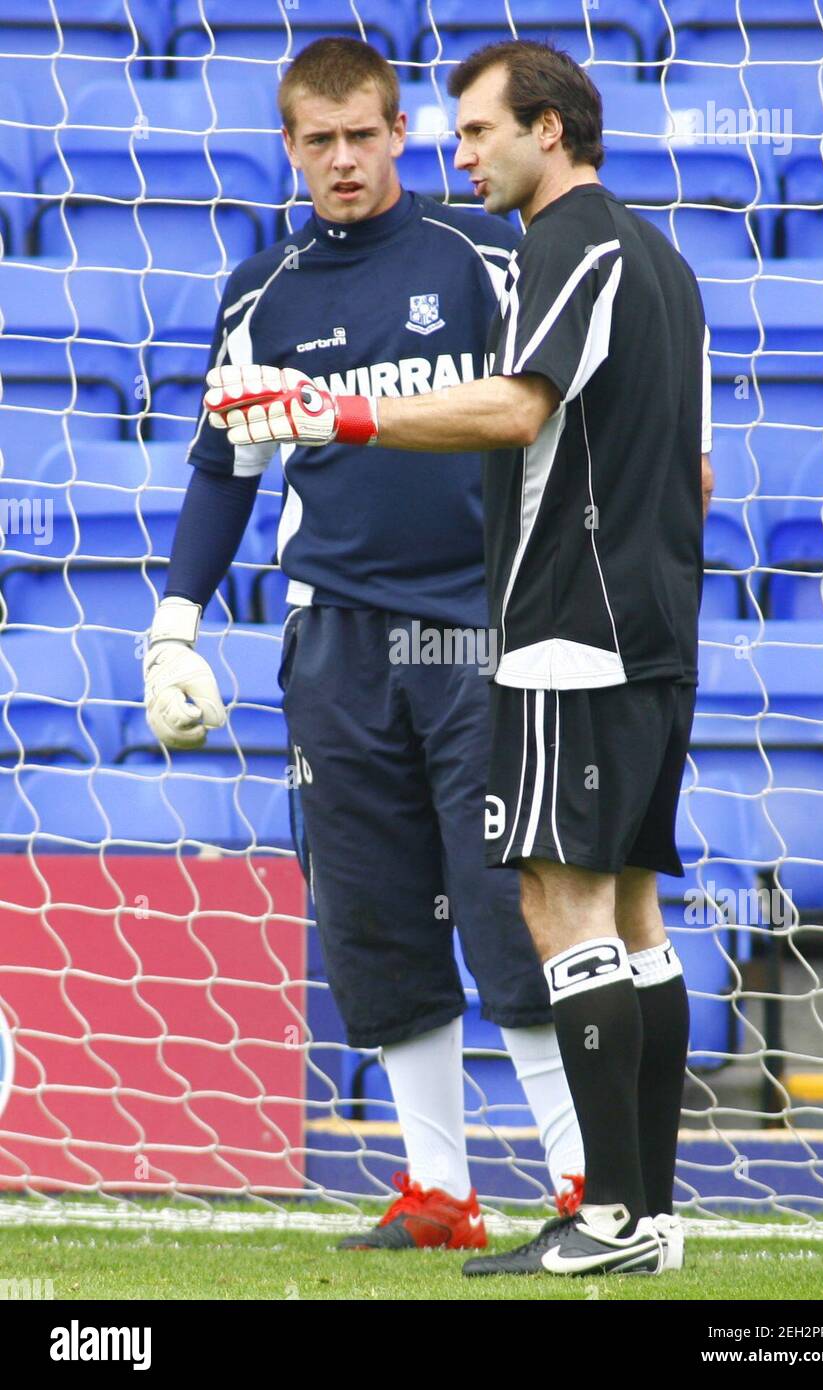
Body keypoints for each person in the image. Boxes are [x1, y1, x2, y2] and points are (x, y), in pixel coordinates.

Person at [204, 38, 715, 1278]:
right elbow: (694, 469)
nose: (459, 151)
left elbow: (516, 406)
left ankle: (601, 1206)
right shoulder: (663, 258)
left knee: (550, 908)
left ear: (548, 129)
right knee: (623, 913)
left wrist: (339, 409)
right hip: (628, 632)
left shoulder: (556, 245)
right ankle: (628, 1212)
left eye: (475, 130)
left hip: (555, 631)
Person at [143, 38, 586, 1252]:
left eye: (363, 135)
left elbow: (570, 410)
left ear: (401, 134)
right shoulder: (259, 292)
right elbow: (223, 471)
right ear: (288, 147)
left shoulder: (491, 255)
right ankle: (438, 1193)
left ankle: (583, 1190)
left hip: (485, 631)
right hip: (333, 641)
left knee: (510, 910)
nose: (342, 160)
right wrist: (173, 621)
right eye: (317, 140)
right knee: (376, 920)